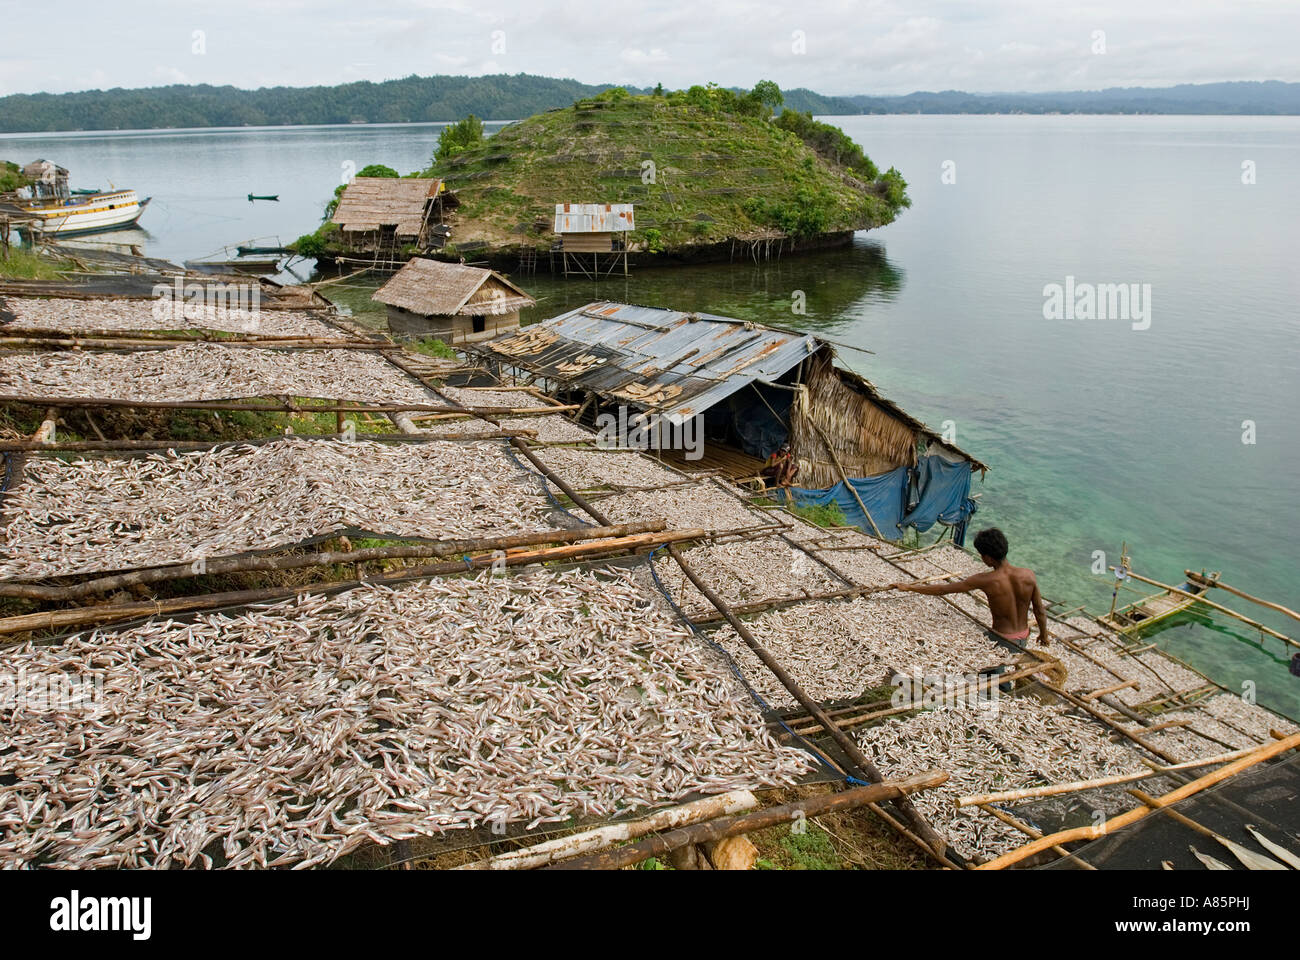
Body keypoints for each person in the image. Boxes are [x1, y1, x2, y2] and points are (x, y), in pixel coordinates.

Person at [889, 527, 1050, 647]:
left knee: (991, 676)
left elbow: (942, 590)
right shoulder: (1029, 575)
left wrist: (909, 587)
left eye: (981, 555)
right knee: (1007, 670)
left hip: (1001, 638)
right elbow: (1039, 611)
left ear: (987, 557)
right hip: (1023, 636)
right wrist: (1044, 636)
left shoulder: (985, 580)